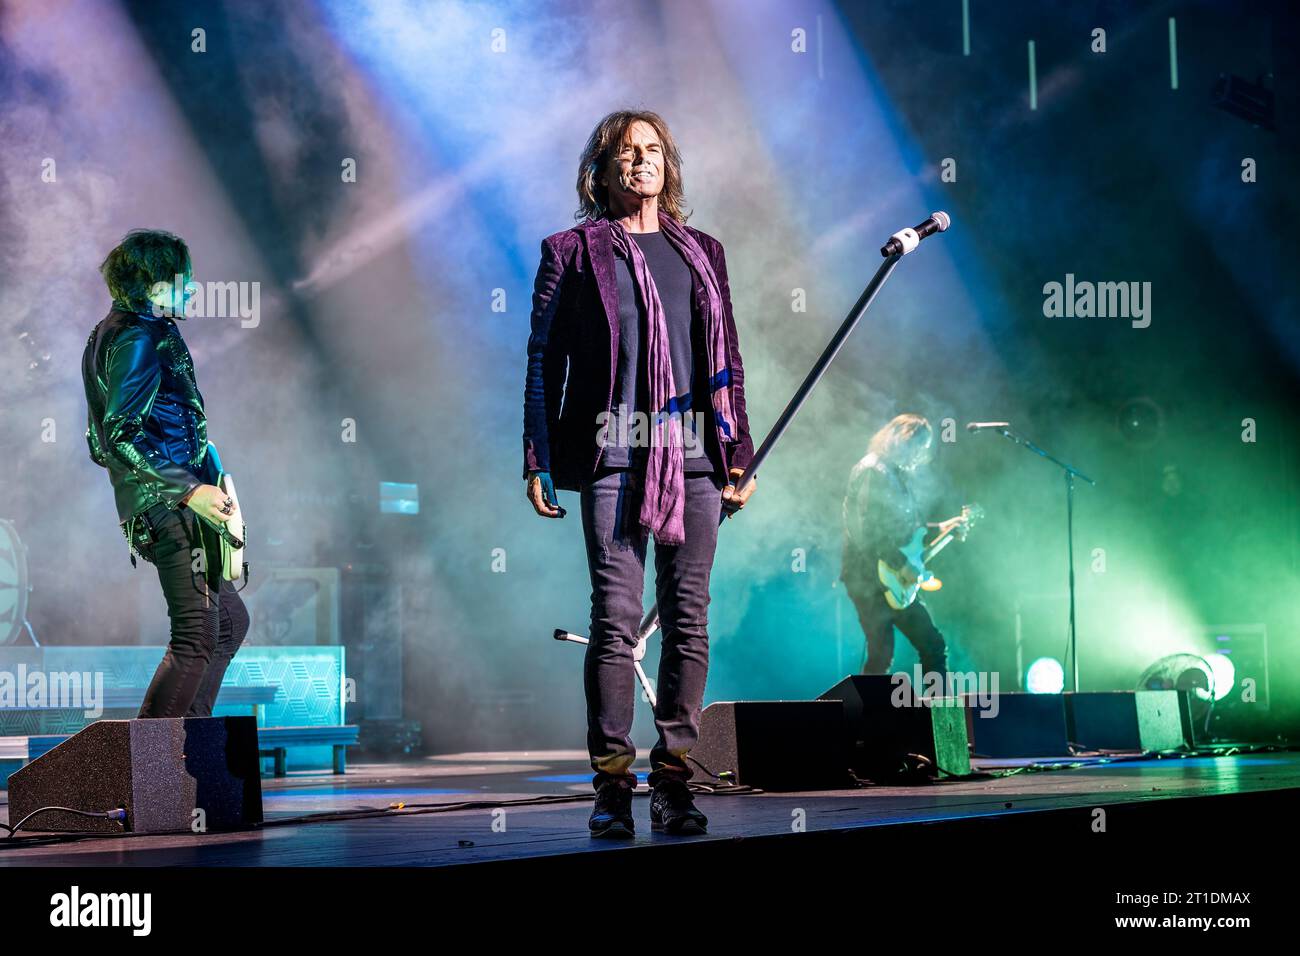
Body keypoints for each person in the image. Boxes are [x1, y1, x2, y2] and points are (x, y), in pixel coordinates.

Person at [522, 110, 756, 837]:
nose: (641, 162)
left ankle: (675, 781)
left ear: (668, 165)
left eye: (652, 151)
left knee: (689, 619)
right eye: (626, 153)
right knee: (616, 623)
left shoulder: (703, 252)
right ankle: (613, 785)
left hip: (694, 458)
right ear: (602, 170)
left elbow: (728, 363)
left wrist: (737, 453)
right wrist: (537, 455)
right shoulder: (572, 250)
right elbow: (543, 360)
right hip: (611, 454)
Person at [82, 229, 249, 719]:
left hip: (168, 502)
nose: (194, 289)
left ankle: (184, 756)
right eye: (185, 280)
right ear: (155, 284)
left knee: (226, 625)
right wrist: (189, 490)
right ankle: (145, 771)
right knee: (197, 633)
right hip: (168, 507)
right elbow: (118, 435)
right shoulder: (135, 337)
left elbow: (98, 443)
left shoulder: (122, 331)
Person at [840, 413, 950, 682]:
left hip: (892, 576)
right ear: (903, 440)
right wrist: (903, 563)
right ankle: (867, 722)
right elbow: (868, 531)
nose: (920, 457)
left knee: (931, 645)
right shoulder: (872, 470)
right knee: (882, 654)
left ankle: (940, 721)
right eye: (918, 448)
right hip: (867, 576)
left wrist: (945, 527)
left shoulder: (895, 475)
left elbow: (907, 530)